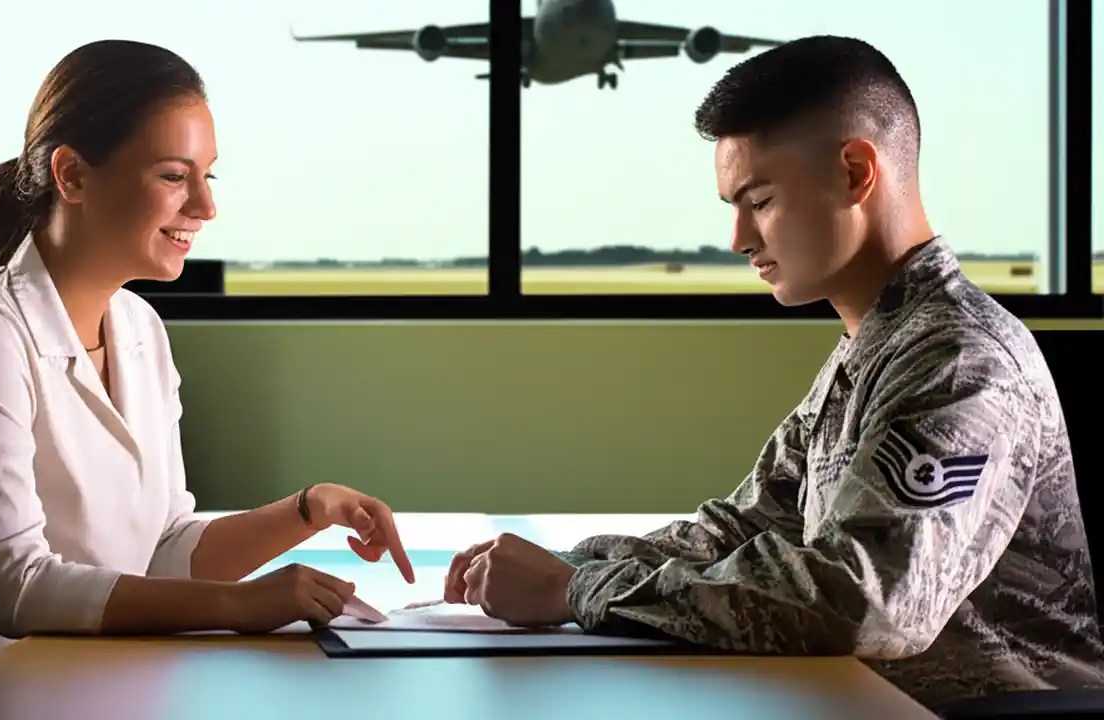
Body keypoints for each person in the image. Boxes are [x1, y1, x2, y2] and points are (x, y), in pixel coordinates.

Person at [442, 35, 1104, 708]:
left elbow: (866, 602)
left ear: (854, 172)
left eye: (758, 201)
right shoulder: (875, 346)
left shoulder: (961, 359)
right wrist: (574, 562)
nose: (738, 239)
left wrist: (573, 592)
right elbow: (743, 528)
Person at [0, 39, 414, 663]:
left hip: (66, 667)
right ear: (72, 175)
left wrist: (306, 510)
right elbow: (16, 590)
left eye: (207, 175)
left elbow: (162, 549)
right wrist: (248, 606)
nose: (206, 206)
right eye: (172, 176)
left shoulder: (139, 327)